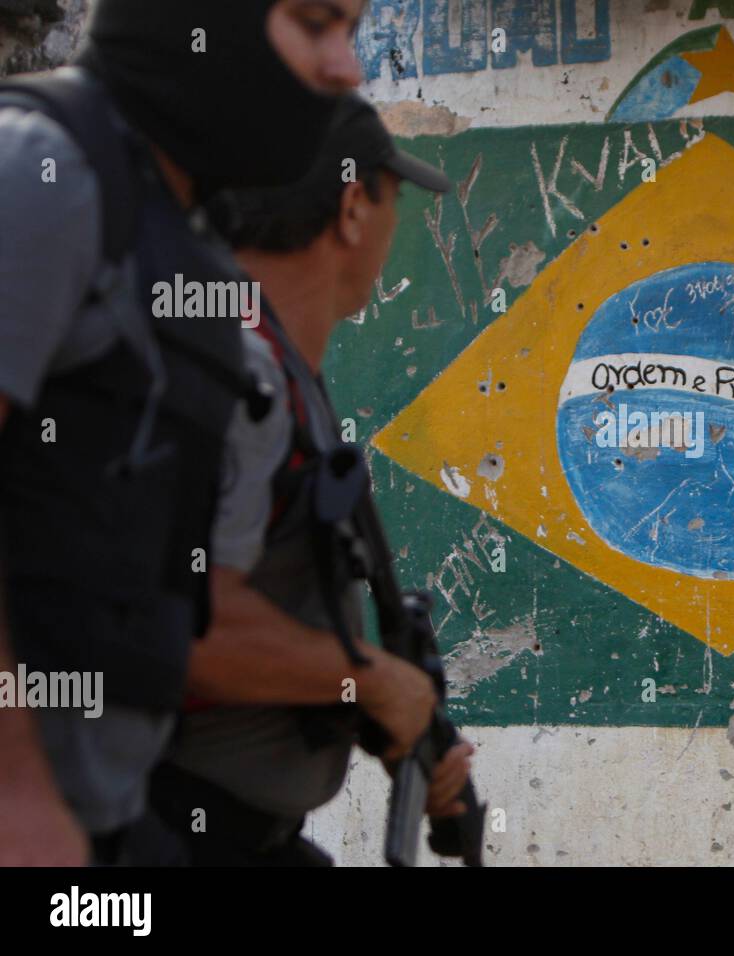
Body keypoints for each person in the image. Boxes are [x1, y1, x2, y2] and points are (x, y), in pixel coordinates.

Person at [0, 0, 370, 866]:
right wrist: (15, 791)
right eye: (316, 23)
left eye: (353, 29)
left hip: (108, 824)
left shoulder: (186, 243)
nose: (347, 66)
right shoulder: (41, 169)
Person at [147, 95, 475, 866]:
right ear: (354, 207)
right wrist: (375, 684)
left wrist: (389, 722)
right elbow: (173, 625)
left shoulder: (272, 366)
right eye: (393, 202)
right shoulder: (233, 372)